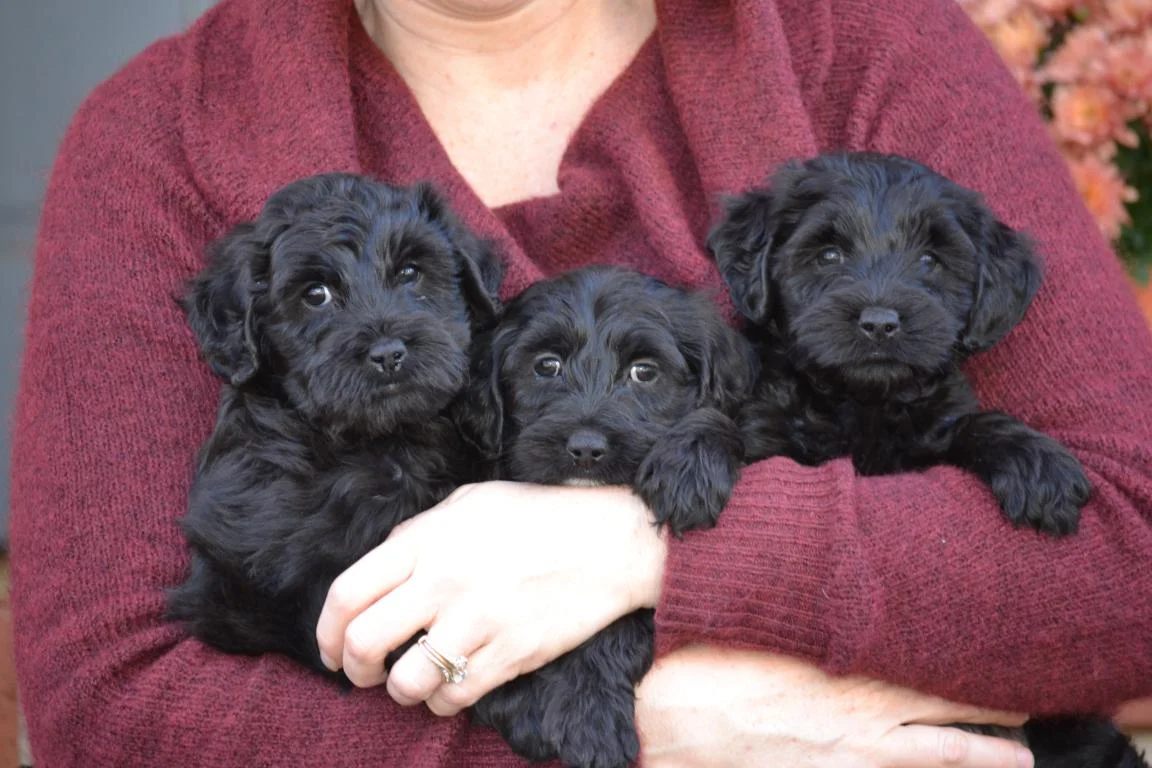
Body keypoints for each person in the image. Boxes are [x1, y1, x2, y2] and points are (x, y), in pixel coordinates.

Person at [10, 0, 1152, 765]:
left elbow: (1132, 546)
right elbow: (105, 705)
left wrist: (663, 545)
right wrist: (643, 737)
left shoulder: (860, 40)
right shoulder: (158, 140)